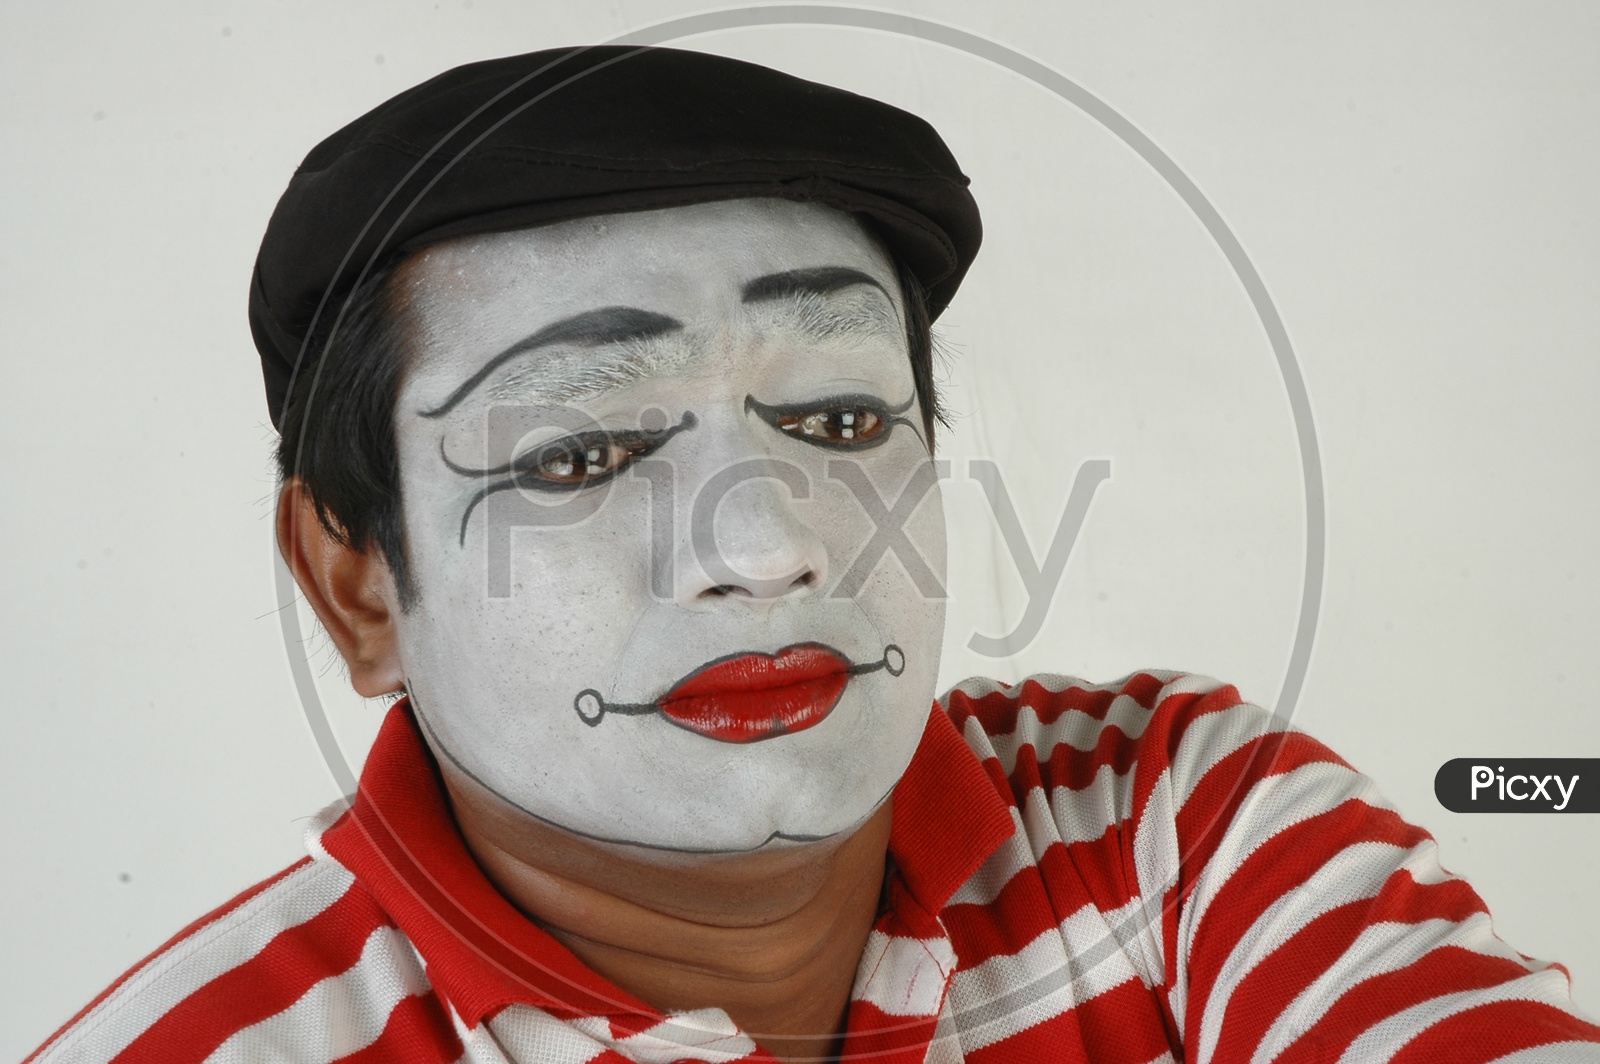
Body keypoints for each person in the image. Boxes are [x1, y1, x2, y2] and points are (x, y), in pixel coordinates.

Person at [26, 45, 1600, 1064]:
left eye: (842, 421)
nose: (771, 551)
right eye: (582, 452)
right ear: (358, 580)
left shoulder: (1175, 821)